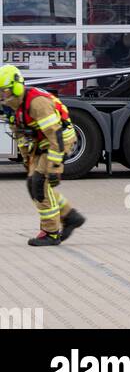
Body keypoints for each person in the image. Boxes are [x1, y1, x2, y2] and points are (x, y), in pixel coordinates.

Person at [0, 64, 85, 247]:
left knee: (40, 183)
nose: (1, 97)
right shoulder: (12, 108)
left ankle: (51, 233)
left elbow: (56, 137)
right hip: (42, 142)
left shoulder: (37, 103)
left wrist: (55, 168)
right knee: (33, 184)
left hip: (58, 140)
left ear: (15, 86)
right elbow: (21, 137)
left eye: (4, 92)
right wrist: (27, 160)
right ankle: (70, 216)